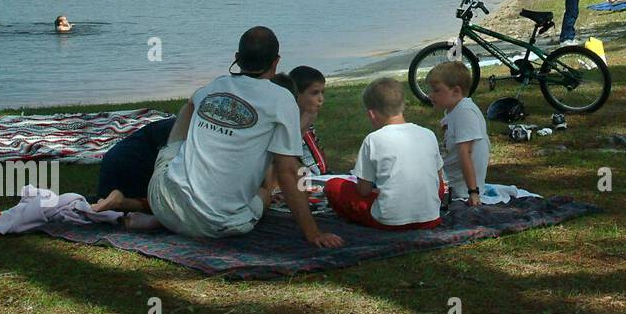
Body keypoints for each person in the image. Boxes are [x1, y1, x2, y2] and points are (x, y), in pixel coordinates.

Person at [144, 26, 344, 246]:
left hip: (163, 204)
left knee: (191, 104)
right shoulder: (281, 99)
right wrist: (313, 234)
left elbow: (194, 103)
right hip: (218, 225)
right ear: (276, 62)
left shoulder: (214, 86)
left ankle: (163, 194)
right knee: (266, 189)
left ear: (237, 59)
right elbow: (286, 171)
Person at [323, 78, 445, 231]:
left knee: (333, 186)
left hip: (388, 222)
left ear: (372, 114)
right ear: (402, 106)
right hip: (430, 217)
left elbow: (363, 190)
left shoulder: (373, 140)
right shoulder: (428, 134)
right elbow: (438, 178)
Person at [427, 60, 490, 207]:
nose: (430, 95)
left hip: (458, 187)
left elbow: (465, 153)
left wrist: (473, 192)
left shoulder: (465, 112)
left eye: (436, 91)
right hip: (452, 179)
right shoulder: (454, 109)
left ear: (456, 91)